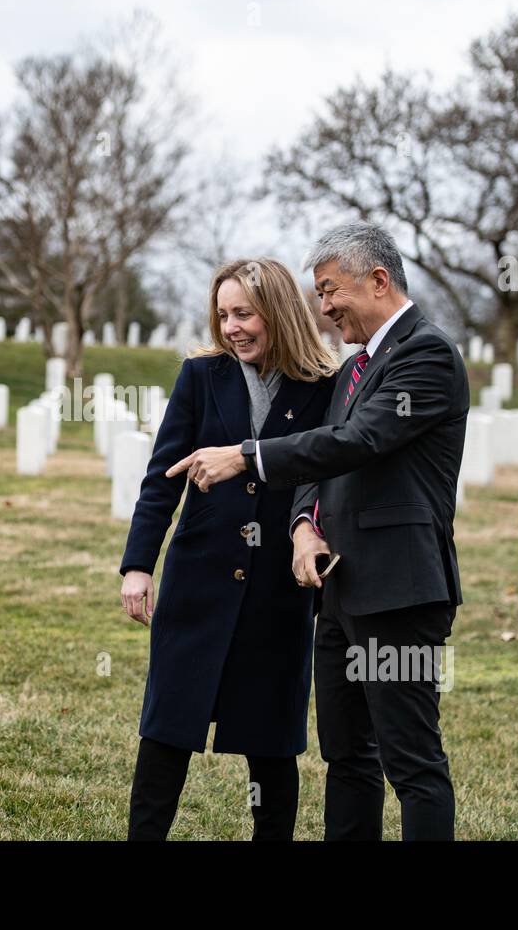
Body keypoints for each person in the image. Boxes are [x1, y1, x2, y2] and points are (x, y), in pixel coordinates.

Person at [168, 222, 469, 840]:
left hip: (401, 591)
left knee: (411, 762)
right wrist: (304, 525)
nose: (324, 307)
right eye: (319, 294)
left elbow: (359, 440)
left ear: (378, 280)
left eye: (332, 291)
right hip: (338, 590)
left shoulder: (426, 354)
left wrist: (246, 455)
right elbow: (322, 460)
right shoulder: (357, 364)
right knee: (347, 758)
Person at [119, 258, 339, 840]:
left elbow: (326, 475)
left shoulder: (322, 385)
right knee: (166, 730)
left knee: (271, 743)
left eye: (244, 313)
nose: (232, 326)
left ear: (279, 313)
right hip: (200, 578)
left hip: (277, 589)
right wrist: (139, 565)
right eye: (223, 314)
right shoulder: (201, 376)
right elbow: (161, 477)